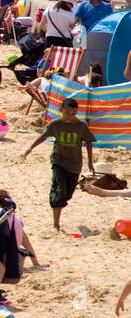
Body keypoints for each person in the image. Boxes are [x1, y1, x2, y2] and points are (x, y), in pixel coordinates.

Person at [23, 97, 95, 231]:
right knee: (59, 191)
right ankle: (56, 224)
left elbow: (89, 142)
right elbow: (43, 136)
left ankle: (58, 203)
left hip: (74, 165)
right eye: (67, 113)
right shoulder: (55, 125)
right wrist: (30, 147)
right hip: (59, 162)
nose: (70, 116)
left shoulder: (81, 126)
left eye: (73, 114)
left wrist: (90, 161)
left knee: (67, 195)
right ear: (61, 110)